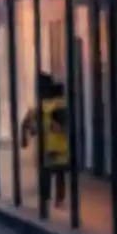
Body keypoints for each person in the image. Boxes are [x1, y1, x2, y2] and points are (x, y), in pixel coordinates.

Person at [22, 74, 69, 210]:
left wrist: (25, 137)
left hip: (47, 147)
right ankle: (58, 199)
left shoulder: (40, 107)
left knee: (47, 173)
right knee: (58, 174)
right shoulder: (60, 104)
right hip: (60, 146)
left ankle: (46, 197)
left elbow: (27, 124)